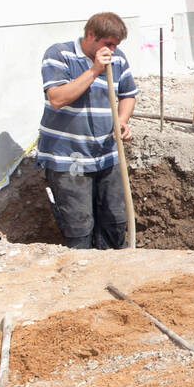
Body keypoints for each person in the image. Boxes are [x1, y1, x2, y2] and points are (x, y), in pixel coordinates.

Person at [38, 13, 138, 249]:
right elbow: (57, 98)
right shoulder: (59, 54)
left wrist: (122, 120)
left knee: (114, 218)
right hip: (68, 158)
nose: (112, 50)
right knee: (78, 224)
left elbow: (128, 94)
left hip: (106, 155)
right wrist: (95, 70)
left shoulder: (118, 59)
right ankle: (81, 272)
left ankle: (114, 269)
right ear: (91, 35)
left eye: (116, 45)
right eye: (108, 44)